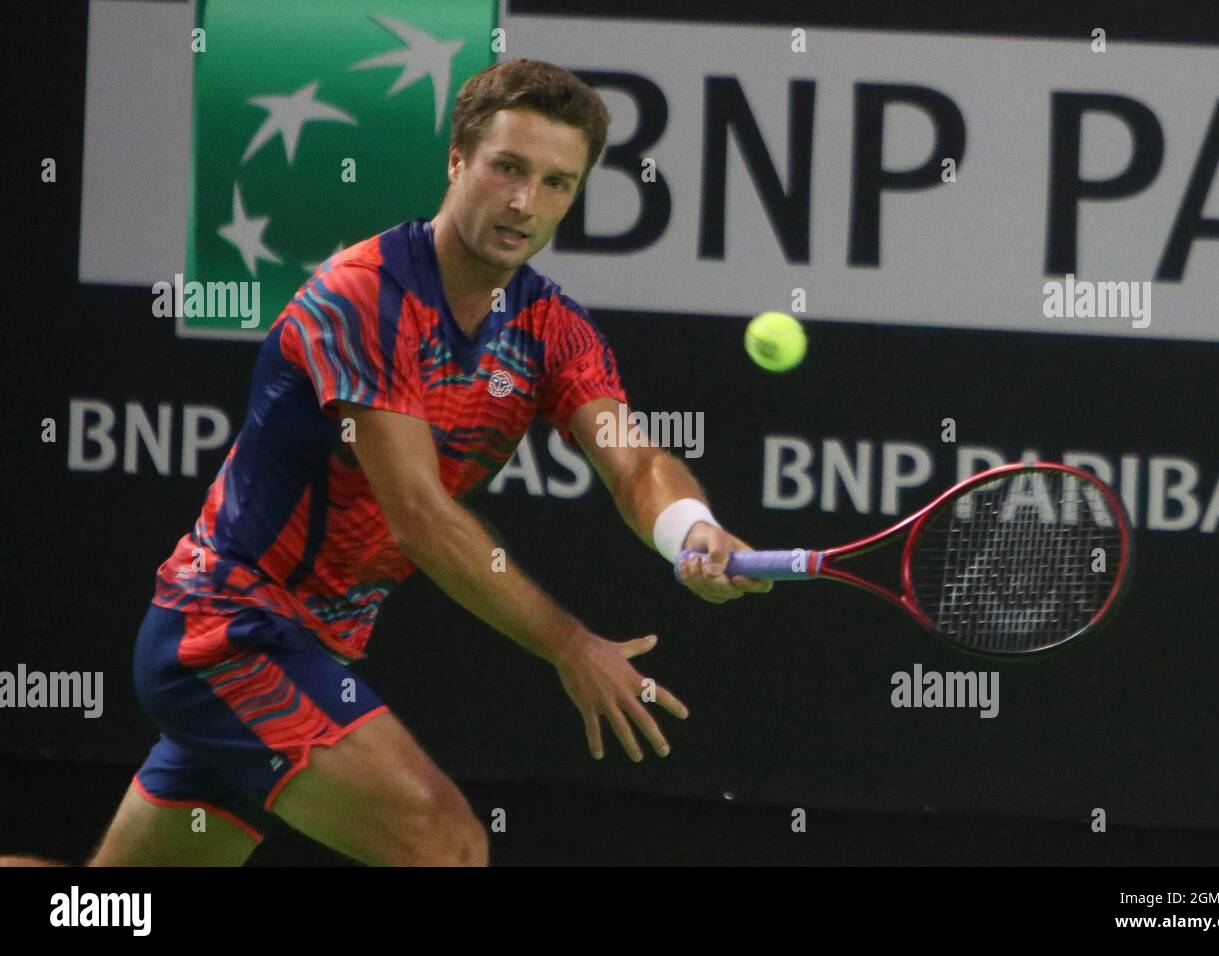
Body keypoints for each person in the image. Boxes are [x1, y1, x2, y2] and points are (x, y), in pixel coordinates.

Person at [33, 58, 768, 868]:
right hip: (231, 633)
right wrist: (569, 643)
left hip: (316, 649)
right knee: (445, 849)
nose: (526, 203)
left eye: (558, 183)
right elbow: (419, 519)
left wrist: (690, 530)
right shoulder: (365, 296)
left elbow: (633, 462)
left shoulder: (555, 327)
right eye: (508, 168)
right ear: (458, 160)